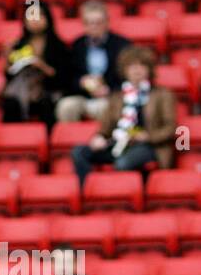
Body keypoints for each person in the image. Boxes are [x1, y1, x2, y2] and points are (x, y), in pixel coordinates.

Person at [71, 46, 175, 184]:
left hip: (148, 146)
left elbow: (171, 128)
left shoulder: (163, 95)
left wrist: (146, 136)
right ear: (124, 70)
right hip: (118, 143)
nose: (137, 70)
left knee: (123, 163)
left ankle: (138, 188)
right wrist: (99, 137)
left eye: (142, 66)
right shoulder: (117, 96)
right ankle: (89, 190)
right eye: (132, 66)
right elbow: (106, 127)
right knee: (79, 152)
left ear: (149, 69)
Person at [55, 0, 131, 125]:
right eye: (89, 23)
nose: (94, 26)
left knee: (105, 107)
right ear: (84, 24)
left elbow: (126, 77)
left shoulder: (122, 45)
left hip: (110, 96)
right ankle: (72, 141)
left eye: (98, 22)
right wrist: (81, 82)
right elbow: (68, 77)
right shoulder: (77, 45)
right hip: (84, 96)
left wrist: (108, 89)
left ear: (107, 22)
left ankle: (104, 143)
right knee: (65, 106)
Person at [0, 0, 71, 127]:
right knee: (10, 102)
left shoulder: (58, 46)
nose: (35, 21)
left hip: (49, 90)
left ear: (48, 19)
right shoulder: (18, 45)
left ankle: (49, 141)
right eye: (31, 16)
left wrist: (42, 67)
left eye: (39, 16)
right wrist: (6, 58)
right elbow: (9, 75)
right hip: (23, 90)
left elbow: (64, 78)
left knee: (47, 102)